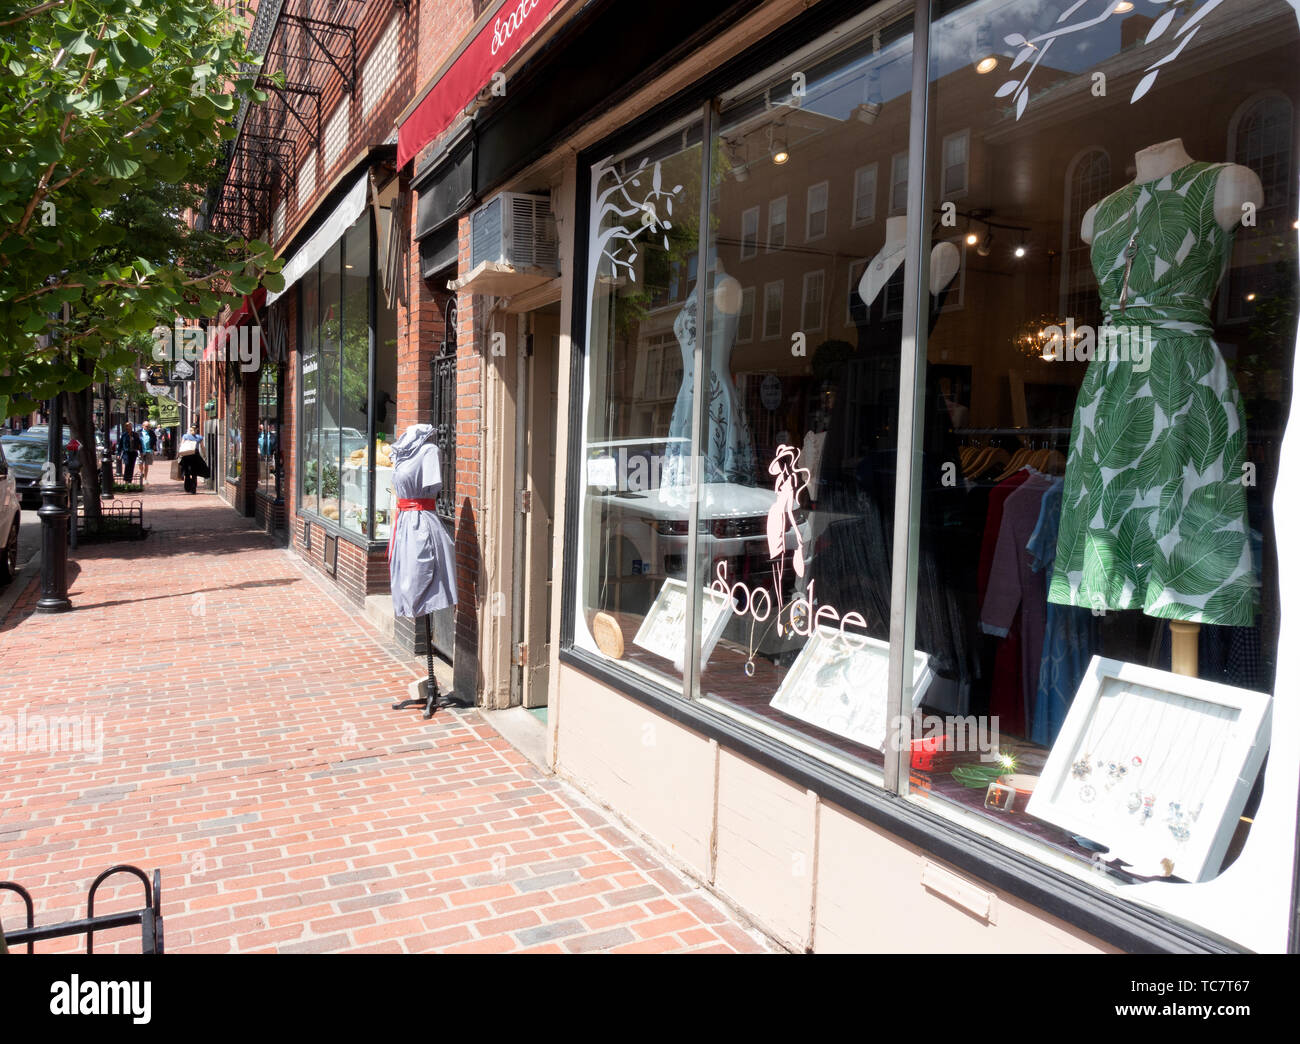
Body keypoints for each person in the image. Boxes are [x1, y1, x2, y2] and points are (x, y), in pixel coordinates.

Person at [178, 421, 208, 494]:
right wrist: (204, 455)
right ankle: (193, 488)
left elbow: (182, 445)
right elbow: (202, 447)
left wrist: (179, 454)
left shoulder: (186, 436)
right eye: (193, 429)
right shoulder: (199, 437)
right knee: (193, 473)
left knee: (188, 472)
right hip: (194, 455)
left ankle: (188, 488)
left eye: (194, 429)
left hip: (187, 456)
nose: (193, 430)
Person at [137, 420, 155, 489]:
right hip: (141, 450)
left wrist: (153, 447)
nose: (148, 427)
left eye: (149, 426)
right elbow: (137, 440)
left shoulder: (151, 432)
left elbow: (154, 439)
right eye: (147, 426)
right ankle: (141, 472)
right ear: (143, 426)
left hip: (148, 450)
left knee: (147, 465)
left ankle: (145, 478)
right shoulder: (139, 432)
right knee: (140, 463)